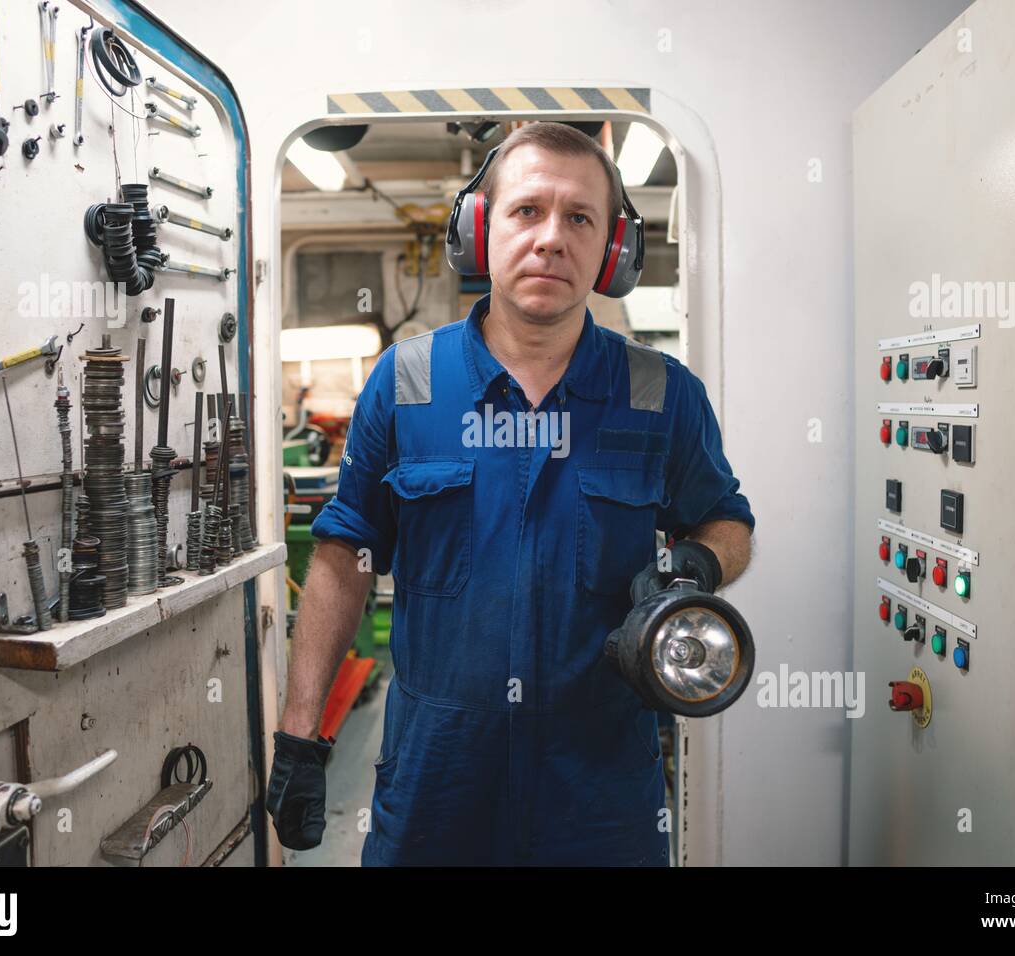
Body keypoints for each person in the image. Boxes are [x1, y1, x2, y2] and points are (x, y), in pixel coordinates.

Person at [266, 121, 754, 866]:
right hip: (436, 785)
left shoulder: (660, 395)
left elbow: (729, 521)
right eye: (528, 211)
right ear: (479, 230)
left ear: (612, 249)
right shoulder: (406, 384)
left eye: (580, 218)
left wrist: (695, 562)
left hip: (601, 794)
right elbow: (345, 557)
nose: (552, 239)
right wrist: (300, 735)